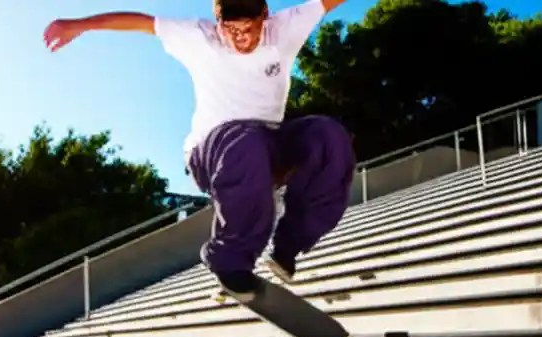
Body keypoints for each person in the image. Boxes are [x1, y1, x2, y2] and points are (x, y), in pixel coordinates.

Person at [44, 0, 355, 301]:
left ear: (265, 15)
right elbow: (140, 22)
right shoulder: (197, 37)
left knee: (328, 138)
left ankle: (288, 246)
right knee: (247, 141)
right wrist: (78, 25)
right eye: (231, 29)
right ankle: (230, 257)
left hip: (266, 148)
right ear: (218, 22)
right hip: (212, 152)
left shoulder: (286, 27)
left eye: (249, 27)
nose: (240, 38)